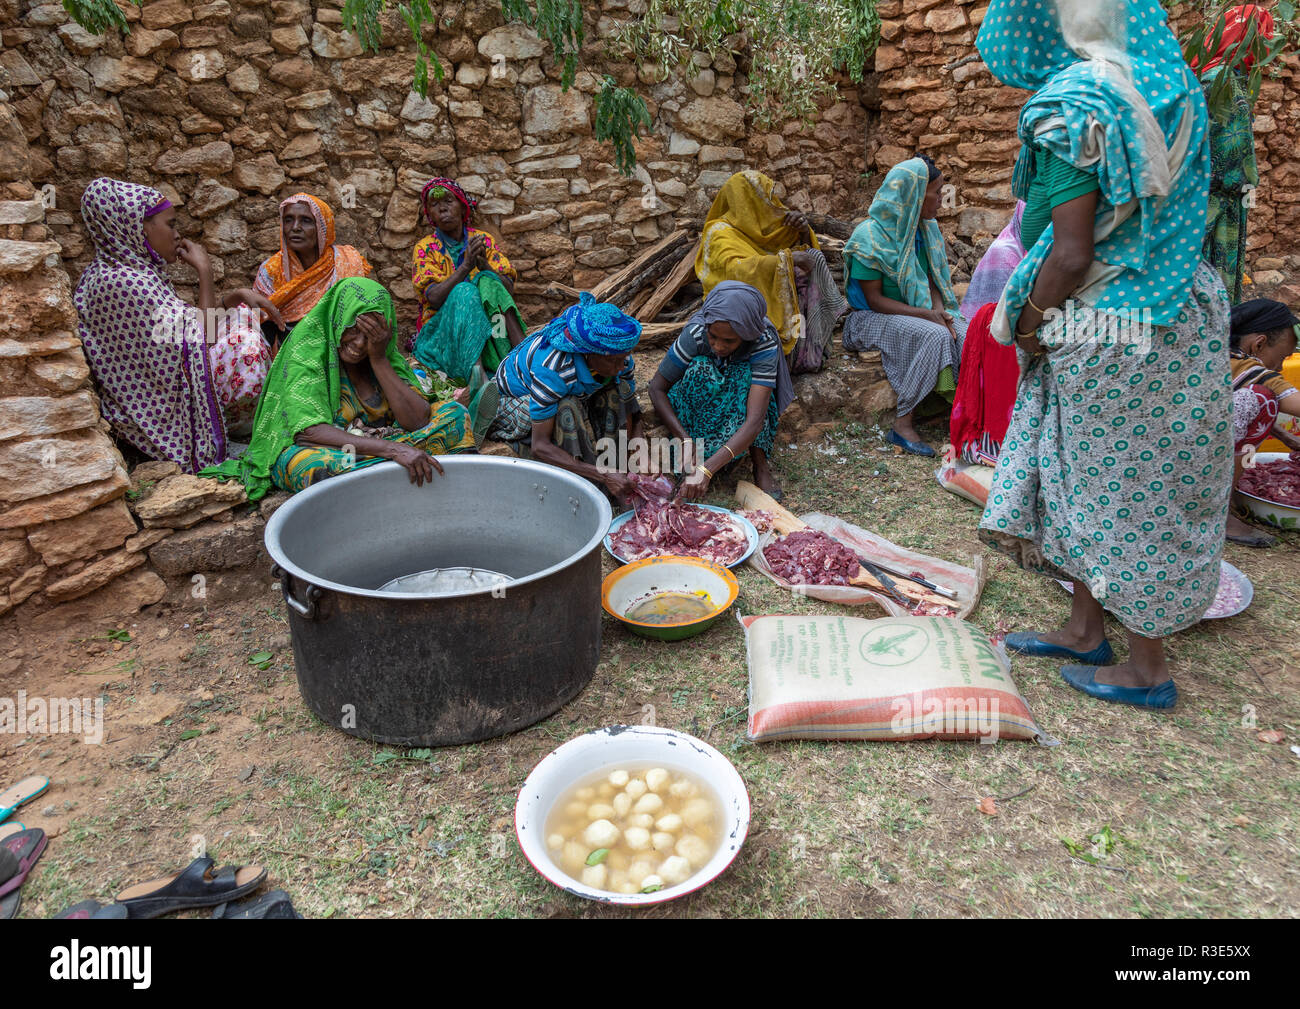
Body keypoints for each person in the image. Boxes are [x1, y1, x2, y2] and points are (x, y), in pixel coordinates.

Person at [975, 0, 1232, 710]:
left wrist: (1027, 325)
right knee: (1094, 477)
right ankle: (1087, 627)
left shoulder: (1074, 107)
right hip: (1181, 312)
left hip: (1112, 328)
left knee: (1123, 489)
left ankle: (1148, 668)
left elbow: (1070, 253)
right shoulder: (1172, 88)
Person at [74, 177, 283, 469]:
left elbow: (186, 328)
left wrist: (232, 298)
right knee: (244, 344)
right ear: (139, 227)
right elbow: (200, 338)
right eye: (170, 224)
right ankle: (237, 431)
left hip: (156, 393)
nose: (177, 235)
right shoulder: (126, 283)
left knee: (241, 315)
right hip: (152, 413)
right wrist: (205, 270)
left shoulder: (123, 272)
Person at [201, 278, 474, 499]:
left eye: (370, 335)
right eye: (352, 329)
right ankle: (398, 465)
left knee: (454, 415)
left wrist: (378, 358)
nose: (358, 344)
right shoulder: (307, 351)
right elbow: (308, 432)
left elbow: (416, 420)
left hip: (380, 443)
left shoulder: (380, 355)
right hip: (333, 449)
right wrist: (392, 450)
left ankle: (376, 474)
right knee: (304, 464)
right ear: (337, 320)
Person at [841, 155, 967, 456]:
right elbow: (874, 300)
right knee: (934, 335)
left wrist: (940, 312)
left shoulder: (925, 231)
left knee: (966, 333)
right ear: (913, 195)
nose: (941, 200)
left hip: (920, 309)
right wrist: (928, 316)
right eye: (935, 193)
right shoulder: (869, 238)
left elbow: (934, 281)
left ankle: (962, 415)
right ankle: (903, 423)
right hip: (869, 318)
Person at [648, 281, 792, 500]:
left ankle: (759, 464)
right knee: (700, 368)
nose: (718, 346)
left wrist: (707, 470)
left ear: (746, 335)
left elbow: (754, 420)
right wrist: (685, 439)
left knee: (748, 381)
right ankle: (696, 455)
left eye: (729, 341)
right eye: (713, 337)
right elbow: (657, 388)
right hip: (701, 399)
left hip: (739, 395)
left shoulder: (762, 341)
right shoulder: (696, 333)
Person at [493, 293, 643, 500]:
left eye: (623, 359)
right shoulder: (553, 369)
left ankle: (622, 485)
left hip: (575, 389)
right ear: (588, 353)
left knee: (618, 391)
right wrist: (603, 474)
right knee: (567, 409)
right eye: (614, 362)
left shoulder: (618, 355)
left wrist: (637, 448)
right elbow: (540, 446)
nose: (621, 366)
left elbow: (630, 402)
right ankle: (588, 491)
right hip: (514, 398)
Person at [695, 170, 845, 373]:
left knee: (813, 257)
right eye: (768, 197)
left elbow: (800, 253)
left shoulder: (763, 227)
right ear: (750, 199)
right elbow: (733, 270)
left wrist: (802, 230)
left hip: (776, 298)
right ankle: (790, 355)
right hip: (741, 307)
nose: (773, 202)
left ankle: (808, 347)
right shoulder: (719, 231)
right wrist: (787, 261)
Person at [409, 178, 523, 435]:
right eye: (435, 205)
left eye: (448, 201)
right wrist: (464, 267)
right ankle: (478, 378)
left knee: (488, 280)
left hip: (490, 333)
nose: (442, 209)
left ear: (463, 208)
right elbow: (434, 298)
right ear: (431, 216)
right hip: (441, 337)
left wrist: (483, 265)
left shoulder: (482, 240)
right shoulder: (426, 248)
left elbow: (508, 290)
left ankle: (522, 357)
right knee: (464, 291)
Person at [1195, 5, 1275, 303]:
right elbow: (1233, 160)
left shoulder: (1203, 73)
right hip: (1216, 202)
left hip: (1193, 195)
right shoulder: (1227, 83)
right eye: (1265, 38)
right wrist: (1248, 184)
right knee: (1211, 281)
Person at [253, 193, 371, 355]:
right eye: (288, 220)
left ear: (323, 228)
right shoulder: (271, 271)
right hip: (284, 354)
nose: (295, 227)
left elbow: (360, 318)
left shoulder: (346, 262)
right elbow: (260, 322)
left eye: (306, 220)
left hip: (339, 352)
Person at [1225, 298, 1300, 547]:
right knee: (1264, 400)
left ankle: (1229, 496)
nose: (1280, 367)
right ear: (1259, 344)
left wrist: (1284, 437)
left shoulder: (1217, 355)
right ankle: (1220, 513)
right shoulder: (1246, 366)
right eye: (1283, 357)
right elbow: (1293, 403)